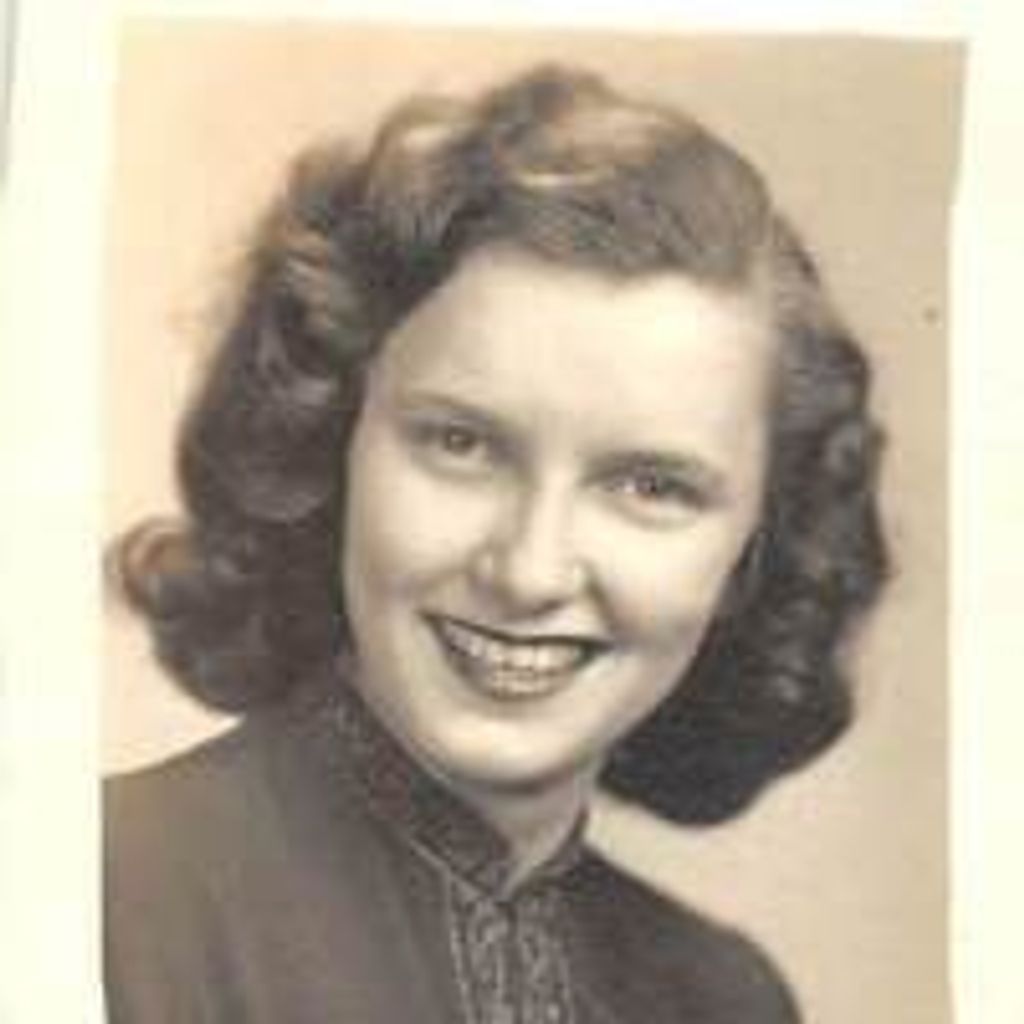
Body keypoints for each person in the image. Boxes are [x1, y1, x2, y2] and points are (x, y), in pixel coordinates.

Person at [103, 64, 888, 1024]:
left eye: (651, 486)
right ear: (331, 449)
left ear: (751, 551)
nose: (528, 569)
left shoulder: (725, 1003)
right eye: (461, 444)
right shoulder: (97, 896)